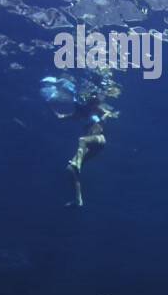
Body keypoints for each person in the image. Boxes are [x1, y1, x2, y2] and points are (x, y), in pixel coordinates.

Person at [41, 70, 121, 207]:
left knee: (82, 140)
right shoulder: (79, 114)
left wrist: (105, 117)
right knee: (70, 169)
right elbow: (60, 117)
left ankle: (77, 163)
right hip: (94, 145)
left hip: (99, 139)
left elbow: (107, 112)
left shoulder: (93, 108)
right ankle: (78, 199)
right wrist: (50, 107)